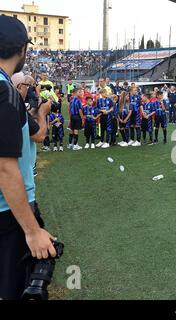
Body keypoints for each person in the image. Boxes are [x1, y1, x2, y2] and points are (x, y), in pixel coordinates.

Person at [0, 15, 56, 300]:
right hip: (7, 214)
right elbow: (5, 169)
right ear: (22, 49)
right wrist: (32, 230)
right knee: (20, 288)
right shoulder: (4, 91)